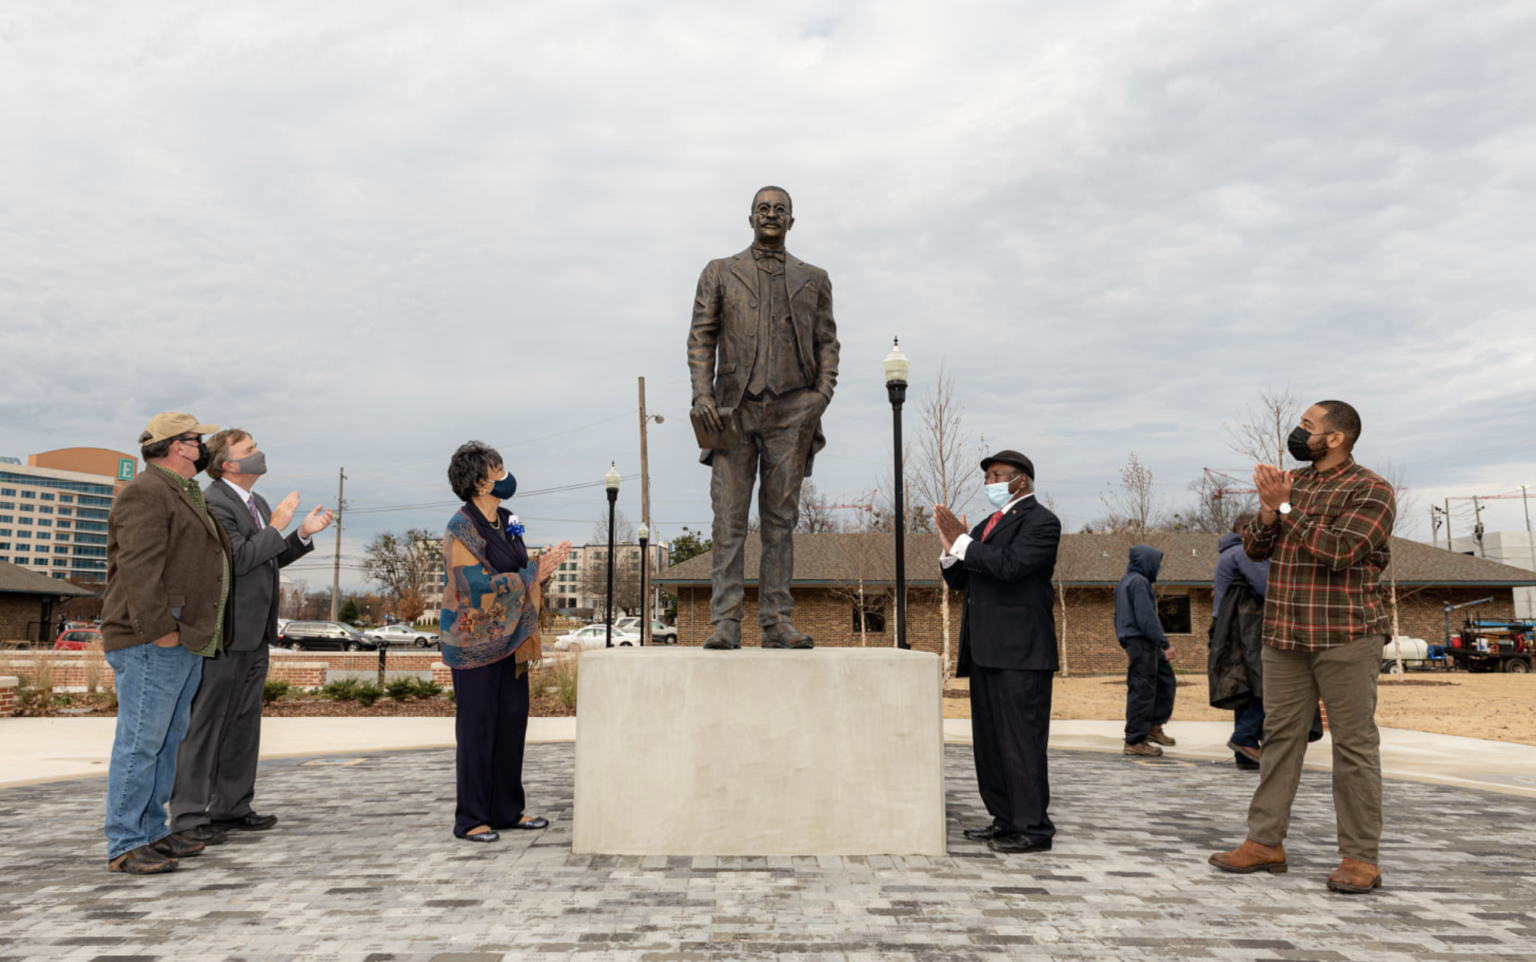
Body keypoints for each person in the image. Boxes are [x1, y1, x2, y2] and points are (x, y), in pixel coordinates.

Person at [1210, 400, 1396, 894]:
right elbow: (1252, 548)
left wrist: (1286, 509)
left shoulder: (1370, 489)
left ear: (1335, 439)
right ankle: (1265, 842)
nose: (1298, 433)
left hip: (1346, 636)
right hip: (1285, 635)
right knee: (1278, 740)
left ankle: (1360, 857)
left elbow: (1339, 551)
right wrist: (1269, 512)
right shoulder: (1295, 484)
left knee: (1353, 747)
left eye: (1308, 426)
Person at [688, 185, 840, 650]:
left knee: (781, 520)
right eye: (763, 209)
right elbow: (701, 337)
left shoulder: (814, 278)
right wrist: (702, 394)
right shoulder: (719, 272)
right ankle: (726, 621)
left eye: (780, 210)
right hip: (732, 410)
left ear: (792, 222)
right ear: (750, 218)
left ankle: (776, 620)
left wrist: (821, 395)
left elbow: (827, 343)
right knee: (728, 519)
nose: (771, 215)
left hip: (793, 409)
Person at [169, 428, 333, 842]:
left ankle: (231, 806)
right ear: (228, 464)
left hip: (257, 633)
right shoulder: (212, 502)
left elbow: (268, 558)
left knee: (244, 723)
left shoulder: (256, 502)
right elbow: (238, 559)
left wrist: (301, 534)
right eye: (250, 450)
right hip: (223, 633)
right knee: (206, 725)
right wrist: (278, 525)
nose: (259, 454)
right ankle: (189, 816)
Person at [99, 412, 230, 874]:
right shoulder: (146, 492)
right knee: (140, 742)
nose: (205, 448)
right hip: (151, 640)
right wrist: (162, 631)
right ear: (178, 446)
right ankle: (126, 841)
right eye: (199, 440)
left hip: (180, 639)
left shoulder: (179, 491)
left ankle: (153, 831)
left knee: (166, 740)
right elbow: (139, 571)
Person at [440, 442, 570, 842]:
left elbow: (518, 567)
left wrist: (541, 569)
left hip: (512, 640)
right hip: (473, 643)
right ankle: (471, 818)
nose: (505, 475)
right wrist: (532, 574)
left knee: (511, 725)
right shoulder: (460, 528)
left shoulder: (509, 519)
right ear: (481, 482)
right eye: (498, 470)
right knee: (478, 730)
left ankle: (507, 810)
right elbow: (473, 585)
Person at [934, 450, 1062, 854]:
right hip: (987, 651)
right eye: (988, 476)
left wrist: (965, 543)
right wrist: (949, 549)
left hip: (1021, 653)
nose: (990, 482)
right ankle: (1005, 819)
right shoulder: (991, 524)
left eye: (998, 475)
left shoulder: (1042, 522)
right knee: (990, 743)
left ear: (1021, 480)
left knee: (1020, 743)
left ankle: (1033, 828)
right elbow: (962, 580)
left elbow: (1010, 566)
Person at [1211, 512, 1269, 770]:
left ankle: (1245, 756)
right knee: (1262, 683)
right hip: (1243, 629)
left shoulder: (1229, 553)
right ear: (1248, 531)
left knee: (1243, 688)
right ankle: (1244, 739)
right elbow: (1266, 586)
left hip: (1228, 628)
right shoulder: (1246, 553)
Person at [1115, 546, 1177, 756]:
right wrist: (1164, 643)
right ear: (1147, 562)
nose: (1158, 567)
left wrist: (1125, 645)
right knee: (1142, 690)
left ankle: (1153, 726)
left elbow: (1117, 617)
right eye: (1157, 562)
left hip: (1137, 642)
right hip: (1143, 641)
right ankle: (1134, 740)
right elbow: (1146, 618)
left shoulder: (1125, 581)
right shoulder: (1139, 582)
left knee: (1165, 680)